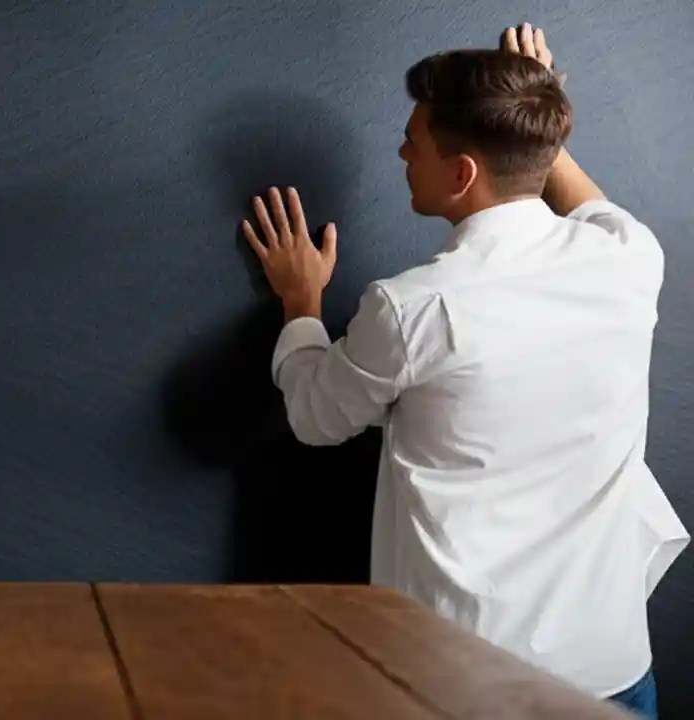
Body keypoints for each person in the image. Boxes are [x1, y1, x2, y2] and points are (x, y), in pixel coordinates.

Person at [239, 22, 688, 718]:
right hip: (613, 675)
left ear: (461, 174)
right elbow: (583, 200)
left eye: (413, 140)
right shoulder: (631, 257)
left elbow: (314, 415)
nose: (400, 149)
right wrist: (527, 110)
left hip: (463, 688)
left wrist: (301, 304)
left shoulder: (412, 307)